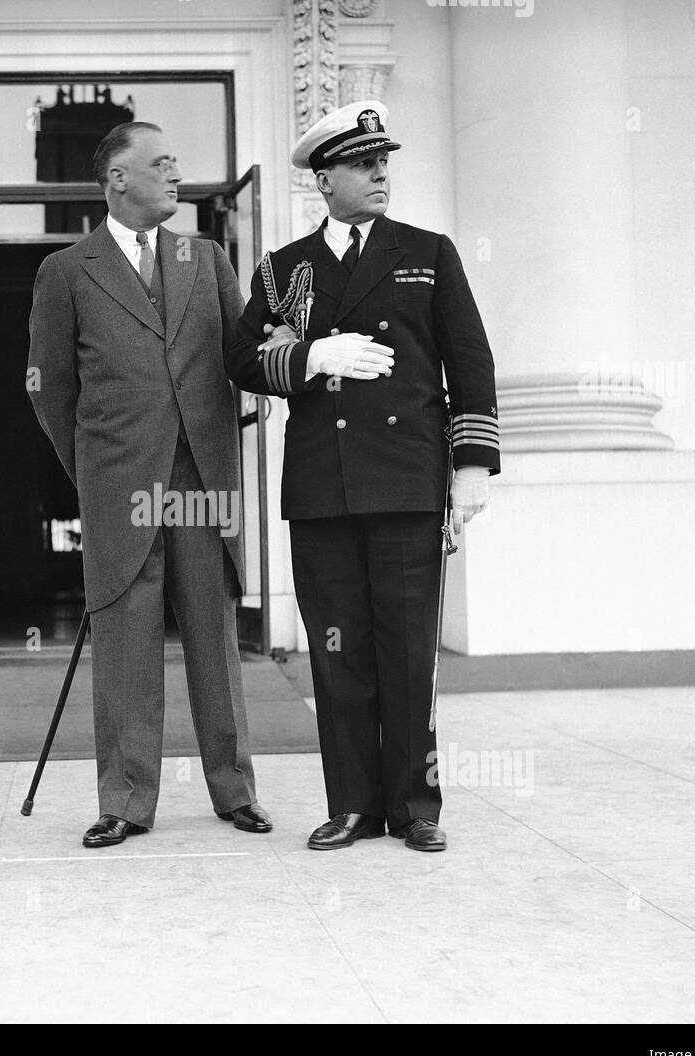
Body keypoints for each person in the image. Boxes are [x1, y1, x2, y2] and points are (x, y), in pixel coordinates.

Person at [226, 101, 499, 853]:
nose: (381, 172)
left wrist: (471, 465)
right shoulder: (285, 268)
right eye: (361, 162)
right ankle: (352, 804)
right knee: (337, 651)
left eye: (384, 159)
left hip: (408, 480)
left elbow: (470, 362)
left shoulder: (428, 251)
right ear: (325, 178)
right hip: (323, 487)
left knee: (408, 651)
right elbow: (242, 361)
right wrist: (310, 357)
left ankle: (415, 805)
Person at [27, 121, 271, 848]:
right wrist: (98, 472)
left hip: (203, 481)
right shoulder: (67, 271)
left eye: (177, 162)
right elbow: (49, 391)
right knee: (126, 642)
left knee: (213, 637)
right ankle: (126, 799)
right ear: (117, 179)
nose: (176, 175)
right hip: (119, 487)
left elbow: (242, 361)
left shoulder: (210, 258)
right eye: (160, 164)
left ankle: (234, 789)